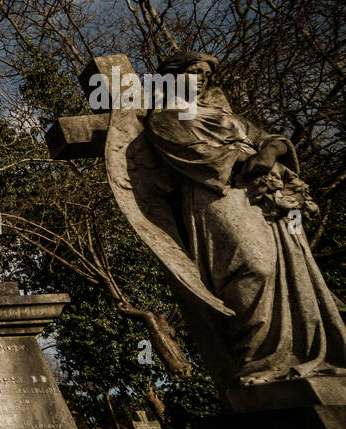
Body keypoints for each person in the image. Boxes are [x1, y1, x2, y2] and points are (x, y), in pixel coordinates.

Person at [140, 49, 346, 384]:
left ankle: (300, 354)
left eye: (206, 73)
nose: (202, 78)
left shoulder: (223, 114)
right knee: (253, 266)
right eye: (194, 71)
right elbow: (198, 157)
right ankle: (260, 359)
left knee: (290, 270)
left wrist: (268, 152)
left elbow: (272, 139)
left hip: (263, 197)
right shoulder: (164, 119)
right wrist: (245, 157)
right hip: (217, 194)